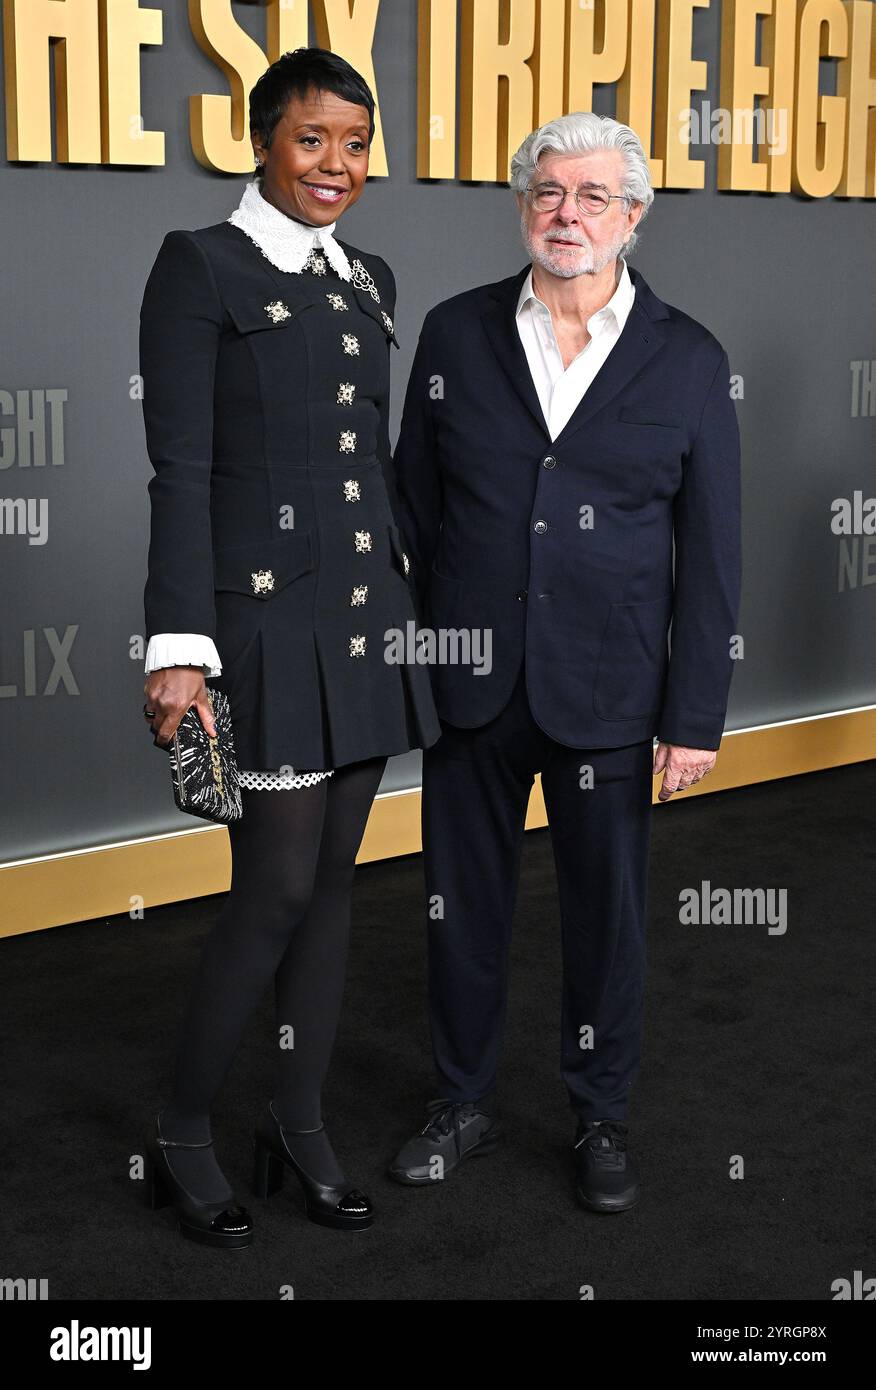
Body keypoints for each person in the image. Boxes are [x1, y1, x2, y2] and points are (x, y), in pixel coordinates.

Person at [388, 112, 742, 1213]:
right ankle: (461, 1102)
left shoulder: (689, 359)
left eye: (593, 196)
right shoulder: (454, 334)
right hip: (474, 688)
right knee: (463, 906)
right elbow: (413, 514)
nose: (567, 213)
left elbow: (715, 552)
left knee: (607, 916)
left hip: (611, 691)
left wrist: (695, 713)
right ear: (520, 206)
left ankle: (600, 1116)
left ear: (634, 214)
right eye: (548, 192)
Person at [139, 47, 440, 1248]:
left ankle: (299, 1123)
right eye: (313, 139)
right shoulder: (200, 263)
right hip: (261, 624)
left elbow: (369, 464)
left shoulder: (371, 277)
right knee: (270, 893)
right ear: (260, 139)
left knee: (329, 899)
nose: (337, 165)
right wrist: (178, 643)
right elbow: (184, 468)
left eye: (356, 143)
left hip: (366, 624)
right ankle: (178, 1132)